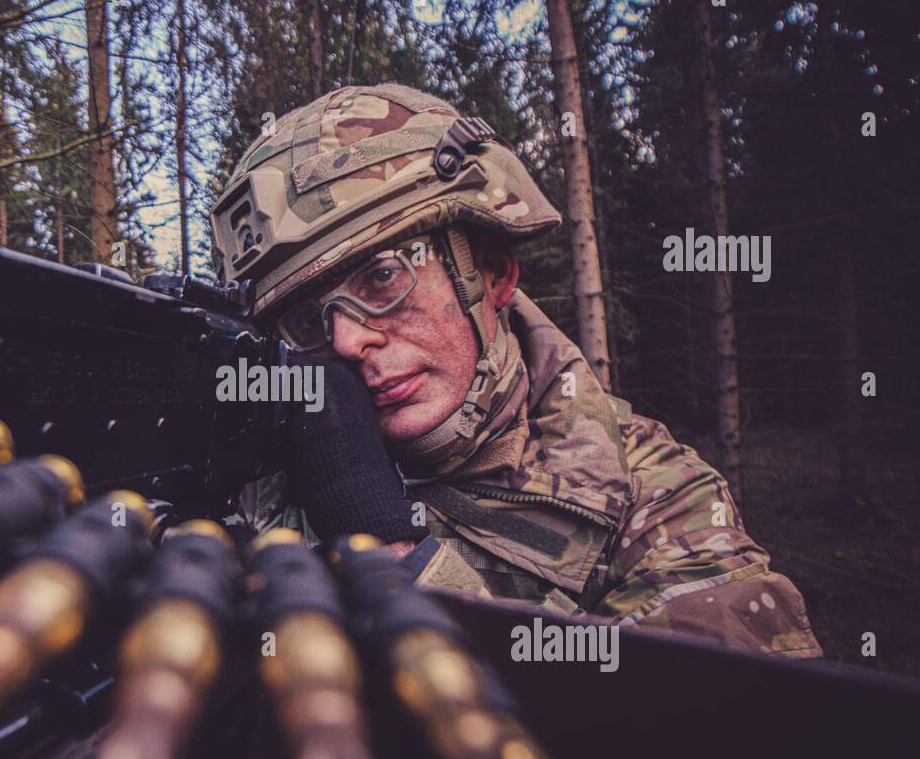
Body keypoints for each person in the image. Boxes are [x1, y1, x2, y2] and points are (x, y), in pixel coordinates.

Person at [211, 83, 820, 657]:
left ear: (492, 274)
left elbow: (685, 746)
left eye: (383, 276)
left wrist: (392, 559)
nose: (346, 340)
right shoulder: (251, 481)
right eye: (309, 320)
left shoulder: (654, 499)